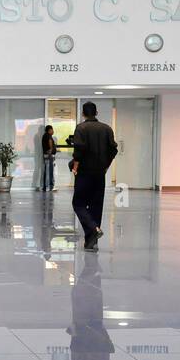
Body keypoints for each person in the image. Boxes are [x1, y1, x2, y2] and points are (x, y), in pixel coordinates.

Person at [70, 101, 117, 251]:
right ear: (96, 113)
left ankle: (94, 229)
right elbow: (113, 150)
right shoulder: (107, 129)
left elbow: (78, 151)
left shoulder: (81, 128)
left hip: (84, 173)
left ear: (83, 114)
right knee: (96, 206)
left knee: (78, 203)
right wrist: (106, 165)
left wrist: (75, 167)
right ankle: (91, 242)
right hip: (99, 174)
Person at [36, 124, 58, 192]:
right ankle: (48, 187)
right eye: (52, 129)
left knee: (48, 171)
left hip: (47, 155)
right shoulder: (48, 136)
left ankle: (46, 187)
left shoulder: (45, 135)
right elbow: (50, 142)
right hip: (49, 156)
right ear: (49, 130)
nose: (53, 131)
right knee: (49, 171)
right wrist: (51, 150)